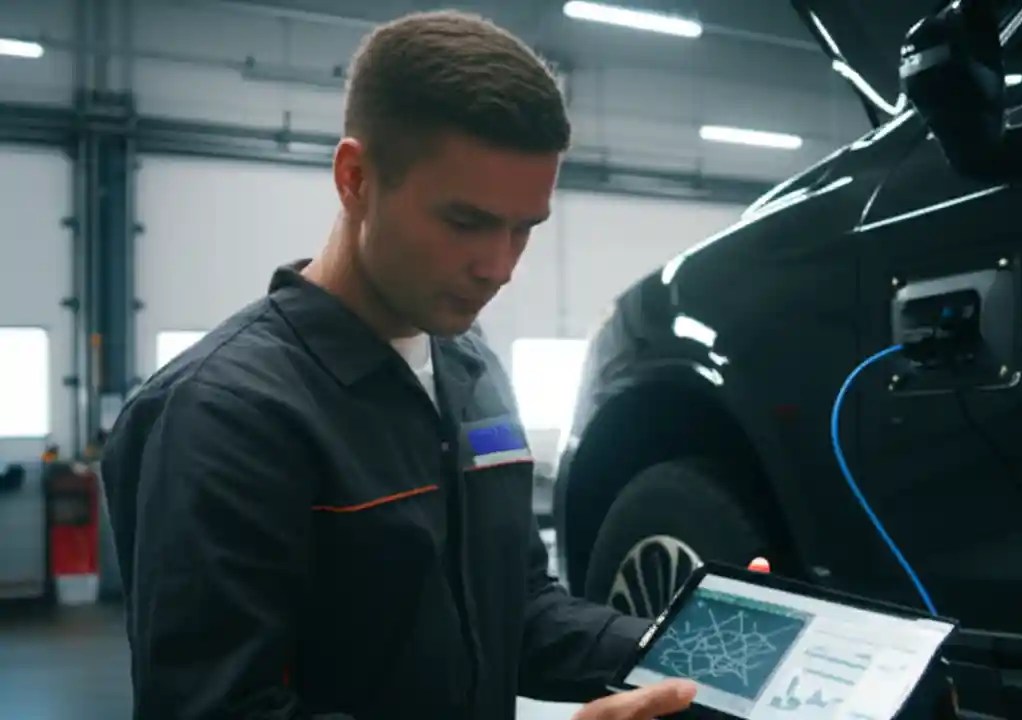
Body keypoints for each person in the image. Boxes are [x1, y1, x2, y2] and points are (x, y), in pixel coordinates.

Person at [100, 10, 696, 720]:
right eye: (465, 222)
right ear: (355, 178)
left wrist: (690, 650)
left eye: (524, 228)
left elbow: (518, 608)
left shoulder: (473, 373)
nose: (499, 267)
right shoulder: (224, 414)